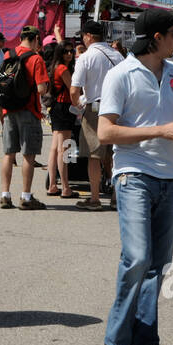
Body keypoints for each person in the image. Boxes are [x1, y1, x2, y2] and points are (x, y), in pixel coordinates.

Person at [98, 9, 173, 345]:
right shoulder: (120, 75)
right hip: (133, 174)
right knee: (138, 258)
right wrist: (159, 130)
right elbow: (106, 132)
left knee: (157, 266)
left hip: (171, 177)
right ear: (156, 38)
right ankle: (116, 340)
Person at [71, 20, 124, 212]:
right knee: (117, 153)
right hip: (119, 107)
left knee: (94, 154)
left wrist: (77, 105)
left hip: (95, 107)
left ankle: (95, 198)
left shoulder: (86, 57)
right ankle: (117, 197)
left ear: (89, 36)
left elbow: (74, 89)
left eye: (82, 36)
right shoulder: (118, 55)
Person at [0, 26, 50, 210]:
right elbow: (41, 89)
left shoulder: (8, 55)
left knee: (9, 154)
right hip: (28, 110)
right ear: (35, 39)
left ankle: (5, 195)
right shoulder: (36, 59)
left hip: (9, 109)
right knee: (28, 155)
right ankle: (26, 196)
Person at [46, 43, 78, 199]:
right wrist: (79, 105)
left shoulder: (55, 67)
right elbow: (72, 89)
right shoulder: (63, 69)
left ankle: (53, 185)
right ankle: (65, 187)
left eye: (71, 51)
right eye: (66, 52)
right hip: (64, 107)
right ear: (60, 53)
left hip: (56, 107)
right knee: (63, 148)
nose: (69, 54)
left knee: (55, 148)